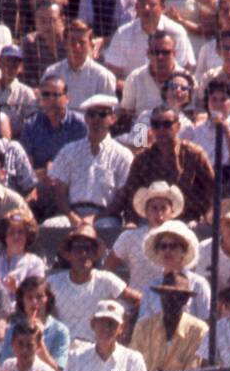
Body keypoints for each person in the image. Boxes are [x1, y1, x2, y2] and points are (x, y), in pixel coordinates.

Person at [103, 106, 214, 225]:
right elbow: (132, 193)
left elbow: (212, 188)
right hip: (151, 219)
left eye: (167, 124)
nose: (161, 129)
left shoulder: (194, 154)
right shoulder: (142, 158)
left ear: (178, 127)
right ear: (151, 128)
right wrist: (131, 221)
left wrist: (207, 215)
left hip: (188, 219)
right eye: (156, 124)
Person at [44, 94, 132, 229]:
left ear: (113, 119)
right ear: (85, 118)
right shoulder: (69, 151)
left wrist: (95, 218)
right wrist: (71, 215)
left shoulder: (123, 155)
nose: (96, 119)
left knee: (109, 227)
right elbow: (59, 190)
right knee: (49, 226)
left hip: (105, 217)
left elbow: (122, 197)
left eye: (102, 114)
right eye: (91, 114)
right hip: (72, 214)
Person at [51, 224, 136, 345]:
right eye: (78, 248)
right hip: (64, 350)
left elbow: (138, 300)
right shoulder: (53, 283)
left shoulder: (107, 280)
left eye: (88, 248)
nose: (83, 253)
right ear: (69, 254)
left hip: (96, 350)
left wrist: (126, 325)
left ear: (95, 254)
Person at [129, 272, 207, 371]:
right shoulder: (143, 326)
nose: (169, 300)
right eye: (165, 295)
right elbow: (130, 369)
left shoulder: (198, 330)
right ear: (160, 297)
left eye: (175, 296)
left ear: (185, 299)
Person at [137, 219, 212, 323]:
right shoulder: (151, 287)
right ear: (157, 251)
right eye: (163, 246)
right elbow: (143, 324)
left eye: (173, 246)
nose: (167, 251)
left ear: (184, 251)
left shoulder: (199, 284)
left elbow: (206, 323)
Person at [0, 276, 71, 371]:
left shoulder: (60, 331)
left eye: (39, 297)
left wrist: (39, 343)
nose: (34, 302)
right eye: (29, 297)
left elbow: (58, 370)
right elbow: (4, 365)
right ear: (22, 300)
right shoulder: (13, 330)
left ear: (47, 299)